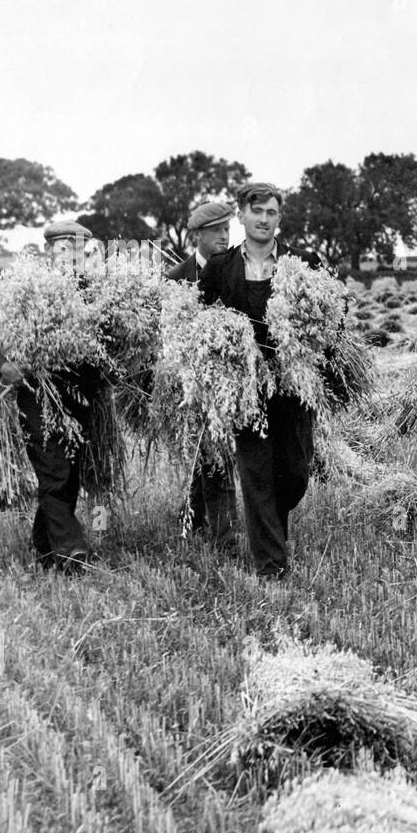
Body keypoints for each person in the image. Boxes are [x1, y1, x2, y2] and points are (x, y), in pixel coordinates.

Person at [198, 183, 323, 579]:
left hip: (292, 385)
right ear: (242, 217)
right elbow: (201, 318)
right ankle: (271, 565)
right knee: (255, 474)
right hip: (244, 386)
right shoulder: (220, 267)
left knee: (294, 474)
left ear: (279, 219)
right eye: (256, 212)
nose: (263, 220)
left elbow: (332, 312)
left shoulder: (302, 262)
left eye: (271, 213)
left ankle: (274, 532)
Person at [0, 220, 101, 573]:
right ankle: (73, 554)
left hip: (80, 402)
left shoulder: (94, 292)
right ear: (47, 251)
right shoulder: (24, 288)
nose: (72, 255)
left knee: (68, 475)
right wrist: (0, 365)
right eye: (64, 247)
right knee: (54, 471)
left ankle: (45, 548)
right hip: (38, 398)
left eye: (79, 249)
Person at [165, 201, 239, 546]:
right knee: (214, 453)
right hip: (194, 384)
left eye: (228, 229)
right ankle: (225, 537)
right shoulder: (177, 279)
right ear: (198, 235)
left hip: (238, 381)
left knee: (209, 453)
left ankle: (191, 518)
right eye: (216, 231)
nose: (225, 236)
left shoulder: (241, 269)